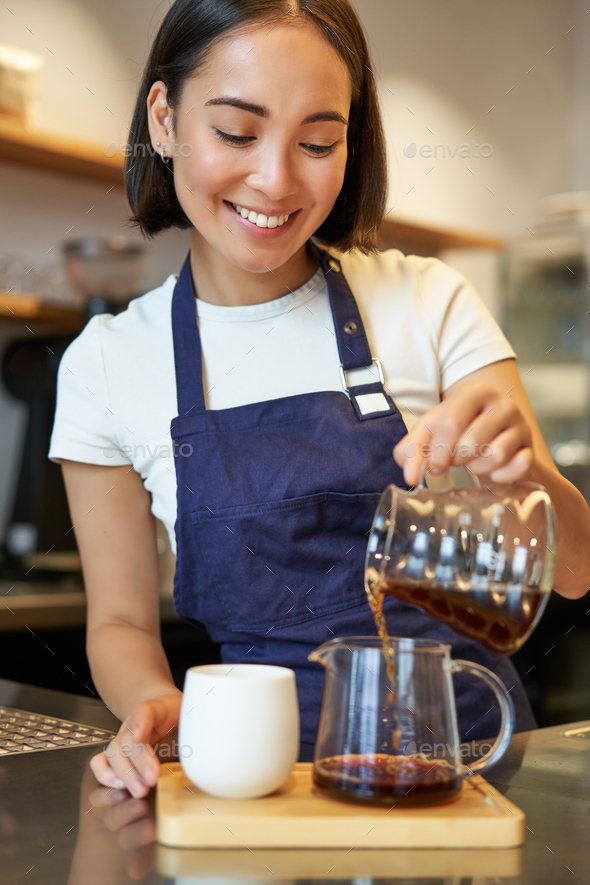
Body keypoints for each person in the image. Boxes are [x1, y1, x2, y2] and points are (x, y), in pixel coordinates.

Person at [49, 0, 590, 799]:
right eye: (237, 132)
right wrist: (152, 699)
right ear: (163, 120)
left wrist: (523, 477)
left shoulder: (428, 301)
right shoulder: (106, 363)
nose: (276, 179)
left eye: (317, 143)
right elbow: (120, 623)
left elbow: (574, 570)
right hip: (255, 779)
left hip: (463, 773)